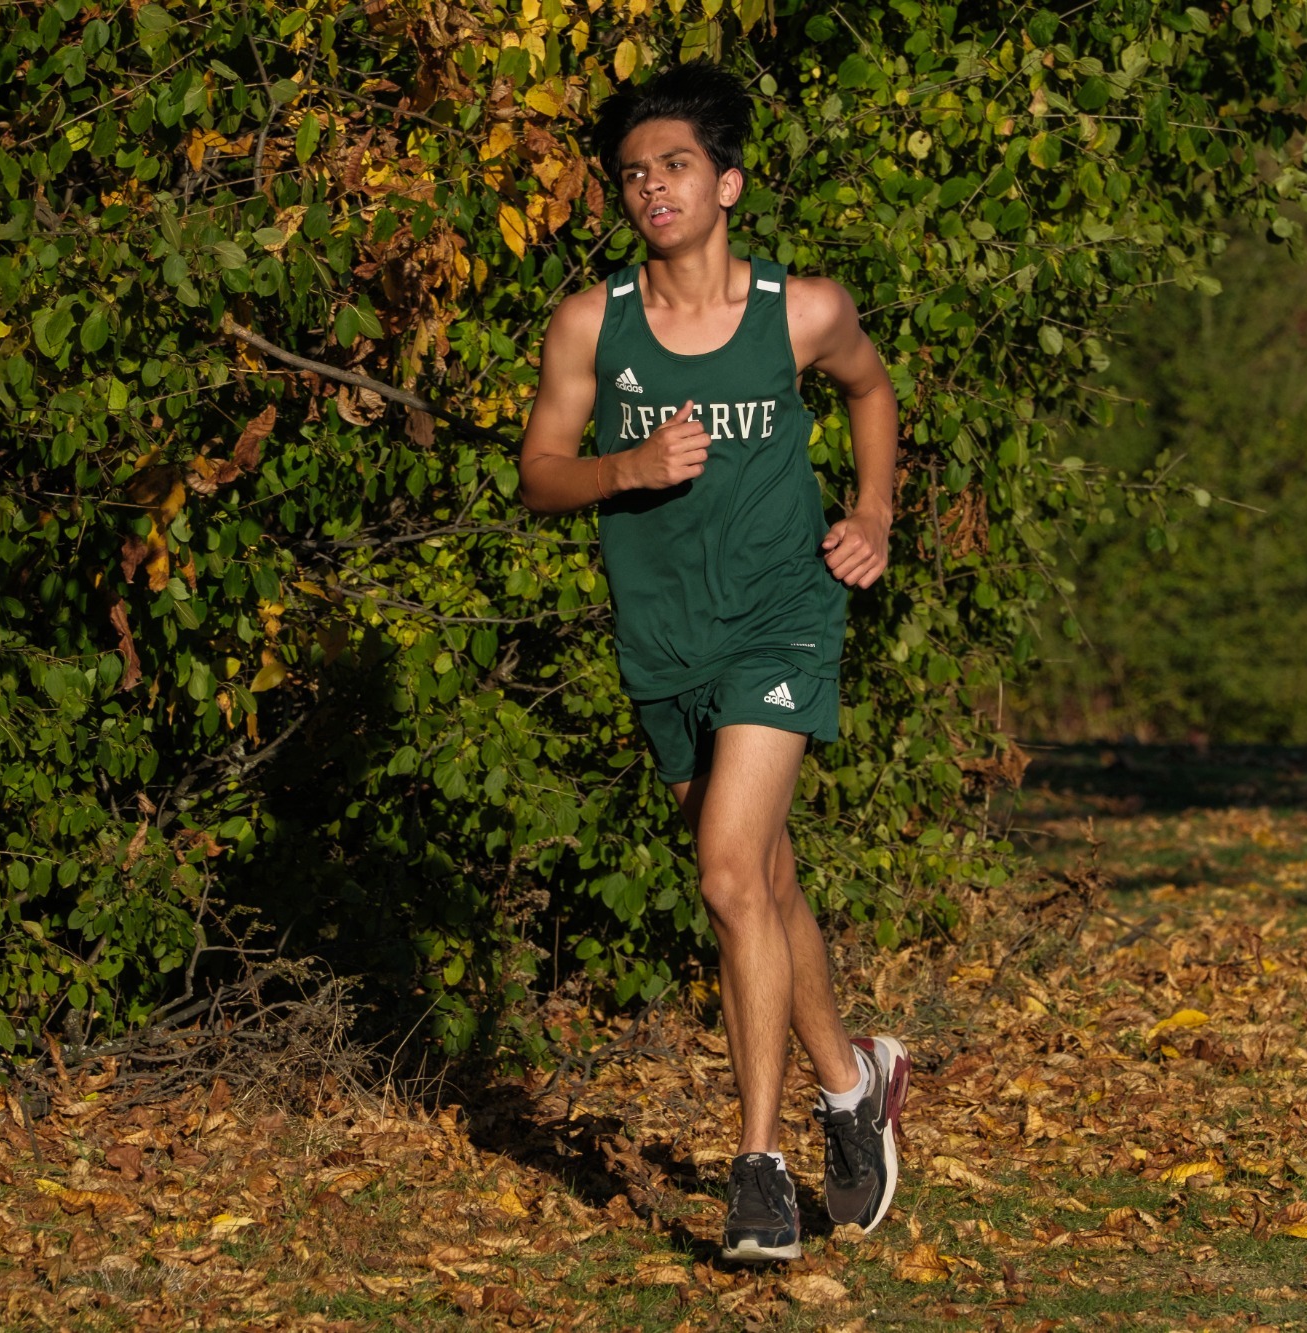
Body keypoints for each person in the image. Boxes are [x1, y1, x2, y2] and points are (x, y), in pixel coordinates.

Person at [518, 62, 910, 1262]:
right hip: (663, 636)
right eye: (633, 173)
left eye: (675, 165)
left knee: (728, 871)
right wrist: (625, 469)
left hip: (782, 614)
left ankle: (756, 1168)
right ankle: (851, 1086)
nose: (652, 187)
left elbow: (870, 389)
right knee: (765, 880)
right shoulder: (592, 325)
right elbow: (539, 475)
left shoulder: (802, 310)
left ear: (726, 183)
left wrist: (874, 511)